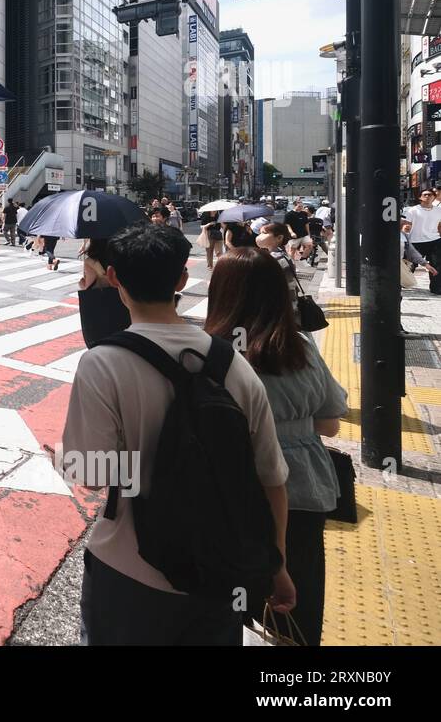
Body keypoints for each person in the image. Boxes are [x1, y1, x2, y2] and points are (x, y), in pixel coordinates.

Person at [61, 223, 294, 645]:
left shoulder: (102, 363)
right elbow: (272, 479)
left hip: (128, 566)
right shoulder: (233, 364)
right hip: (221, 567)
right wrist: (276, 565)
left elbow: (92, 474)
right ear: (183, 279)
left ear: (114, 278)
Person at [204, 249, 348, 646]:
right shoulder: (299, 346)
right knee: (293, 611)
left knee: (226, 612)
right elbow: (331, 423)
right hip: (304, 491)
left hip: (227, 495)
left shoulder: (206, 353)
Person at [404, 189, 441, 296]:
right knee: (410, 265)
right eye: (425, 195)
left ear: (434, 197)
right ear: (420, 197)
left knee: (437, 265)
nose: (428, 196)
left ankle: (436, 288)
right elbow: (406, 226)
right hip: (415, 241)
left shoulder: (438, 210)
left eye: (431, 195)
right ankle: (401, 283)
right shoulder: (413, 210)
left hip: (434, 240)